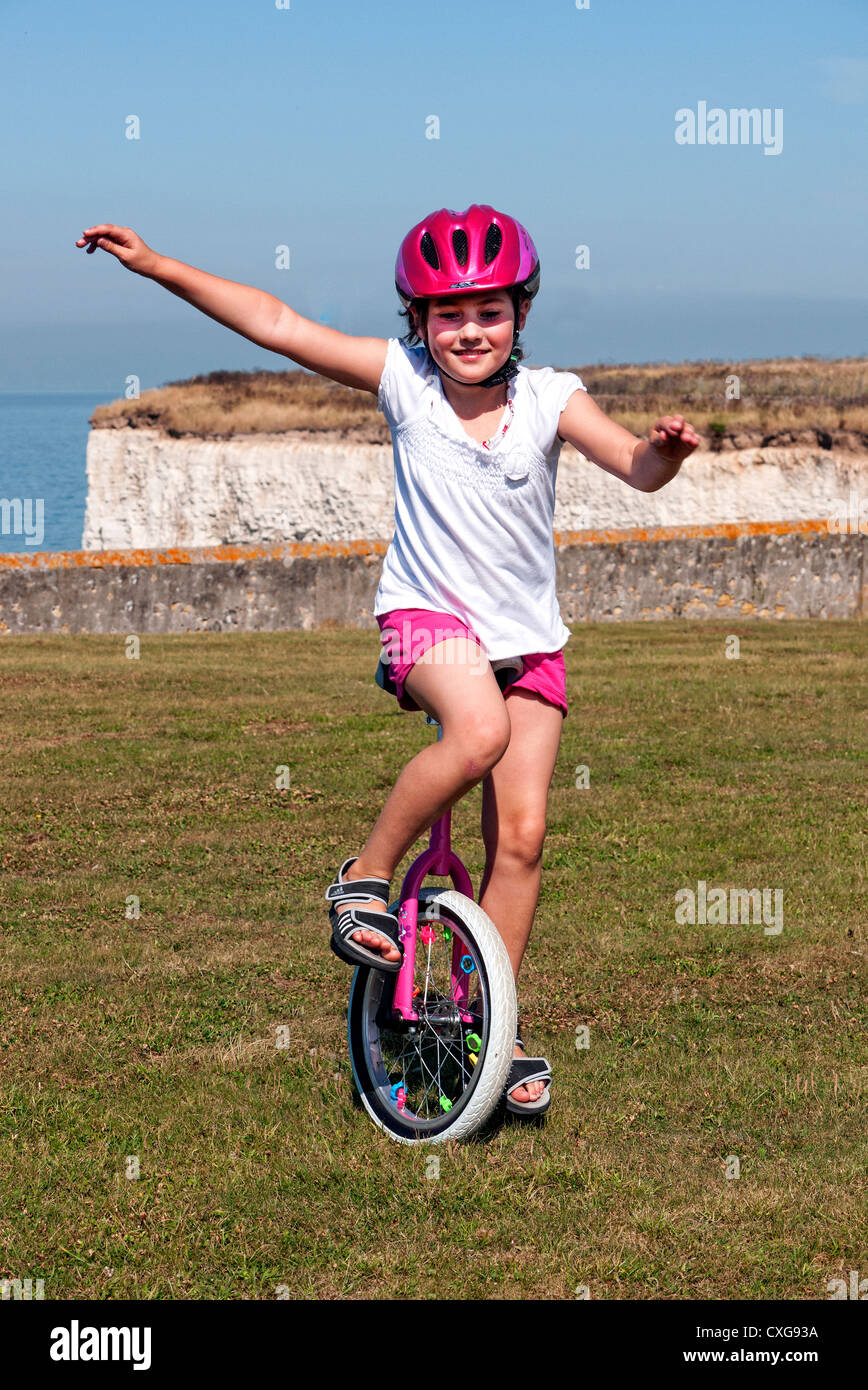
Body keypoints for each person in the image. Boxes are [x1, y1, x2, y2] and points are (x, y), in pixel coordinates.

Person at [76, 205, 700, 1114]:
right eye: (447, 314)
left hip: (529, 644)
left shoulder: (552, 397)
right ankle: (363, 879)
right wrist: (158, 265)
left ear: (521, 312)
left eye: (488, 310)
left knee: (520, 841)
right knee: (477, 730)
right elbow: (278, 324)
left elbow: (634, 467)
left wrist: (664, 453)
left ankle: (495, 1019)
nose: (469, 330)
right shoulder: (402, 383)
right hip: (426, 622)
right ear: (418, 322)